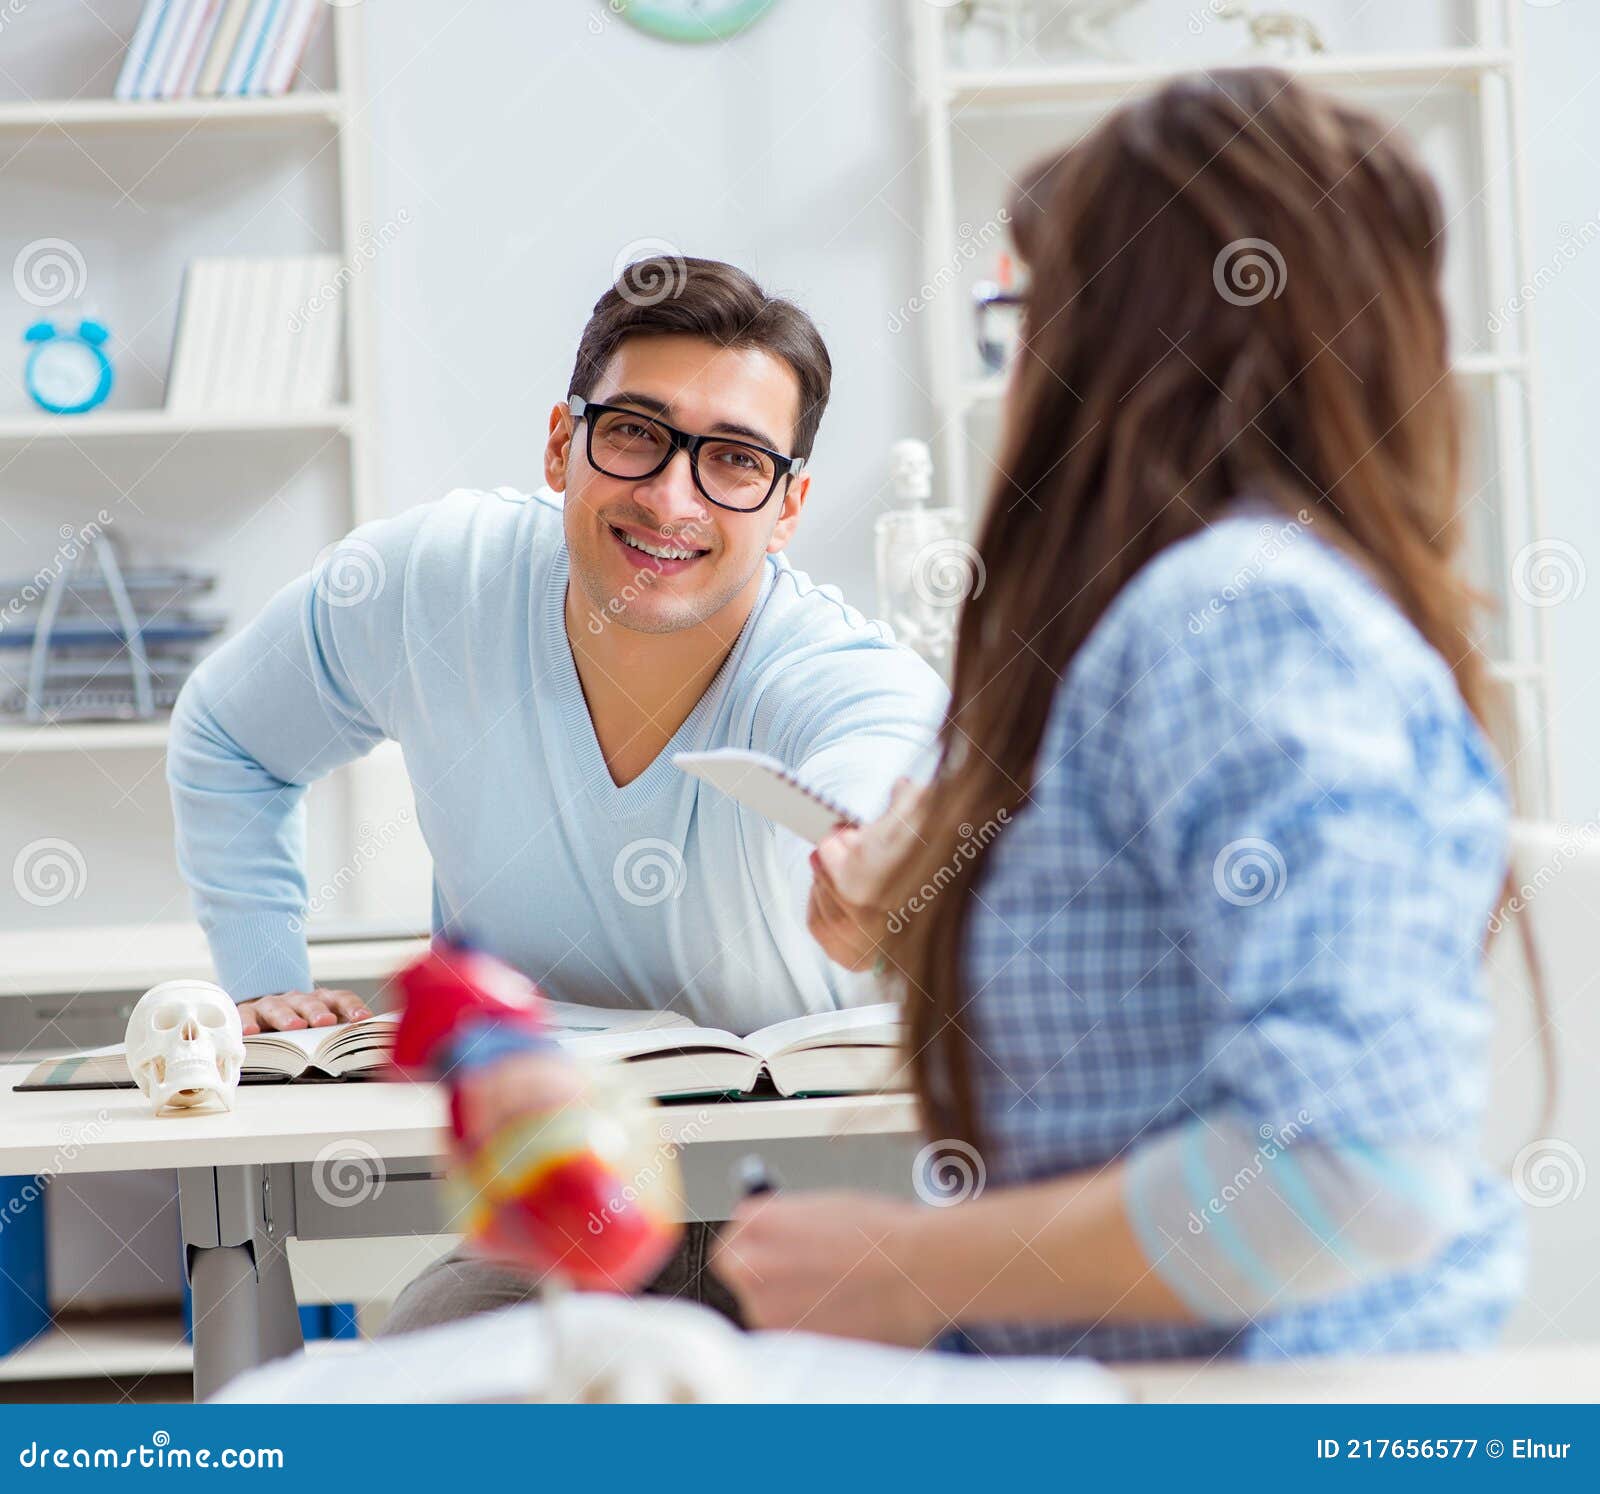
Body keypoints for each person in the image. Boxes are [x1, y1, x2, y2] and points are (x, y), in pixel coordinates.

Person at [711, 68, 1535, 1362]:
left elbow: (1351, 1163)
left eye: (1029, 311)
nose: (1022, 359)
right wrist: (925, 895)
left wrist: (910, 1267)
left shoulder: (1243, 615)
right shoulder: (1197, 618)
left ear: (1123, 333)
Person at [166, 257, 947, 1331]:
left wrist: (876, 858)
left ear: (789, 504)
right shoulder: (433, 581)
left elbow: (887, 756)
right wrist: (263, 978)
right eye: (634, 432)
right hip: (559, 1208)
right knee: (425, 1380)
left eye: (733, 461)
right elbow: (226, 737)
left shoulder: (832, 666)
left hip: (814, 1206)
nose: (671, 498)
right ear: (560, 443)